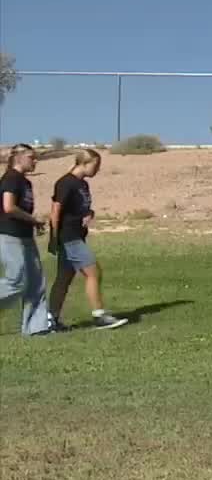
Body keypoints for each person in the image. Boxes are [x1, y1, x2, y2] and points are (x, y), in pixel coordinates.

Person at [46, 149, 129, 331]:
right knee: (93, 271)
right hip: (69, 237)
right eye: (96, 165)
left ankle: (50, 319)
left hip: (77, 235)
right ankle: (99, 315)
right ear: (84, 163)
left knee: (64, 279)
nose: (97, 170)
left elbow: (81, 208)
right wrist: (54, 238)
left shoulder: (82, 185)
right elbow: (55, 211)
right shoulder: (65, 183)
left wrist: (89, 213)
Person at [0, 144, 53, 337]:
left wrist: (33, 224)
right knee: (16, 280)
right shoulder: (11, 178)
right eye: (32, 157)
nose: (35, 161)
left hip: (25, 237)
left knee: (36, 283)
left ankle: (36, 329)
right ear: (18, 158)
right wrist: (34, 220)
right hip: (9, 236)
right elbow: (8, 207)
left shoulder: (25, 182)